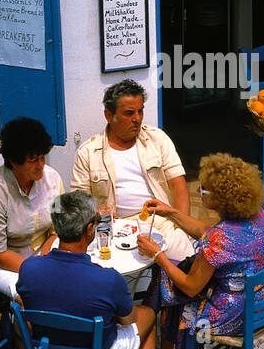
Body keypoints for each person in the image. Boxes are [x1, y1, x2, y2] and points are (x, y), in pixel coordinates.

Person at [17, 191, 159, 349]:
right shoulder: (109, 280)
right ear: (89, 229)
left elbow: (25, 306)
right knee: (148, 316)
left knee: (32, 312)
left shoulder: (29, 268)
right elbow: (128, 320)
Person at [137, 153, 264, 342]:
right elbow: (206, 232)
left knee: (165, 280)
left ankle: (150, 346)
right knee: (172, 277)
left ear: (221, 198)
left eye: (203, 190)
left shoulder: (219, 237)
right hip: (262, 305)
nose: (198, 192)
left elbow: (191, 287)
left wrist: (157, 255)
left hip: (234, 317)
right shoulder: (256, 216)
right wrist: (170, 213)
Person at [71, 80, 194, 261]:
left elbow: (179, 186)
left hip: (159, 221)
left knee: (186, 262)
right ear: (108, 115)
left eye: (140, 111)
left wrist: (182, 227)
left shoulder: (157, 139)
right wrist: (97, 214)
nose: (137, 118)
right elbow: (79, 202)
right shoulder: (88, 152)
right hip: (115, 228)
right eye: (129, 113)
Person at [0, 116, 63, 296]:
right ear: (13, 161)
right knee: (29, 291)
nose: (41, 165)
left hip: (37, 251)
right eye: (33, 160)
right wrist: (38, 271)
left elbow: (57, 228)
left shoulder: (52, 178)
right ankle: (24, 323)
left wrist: (45, 257)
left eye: (43, 157)